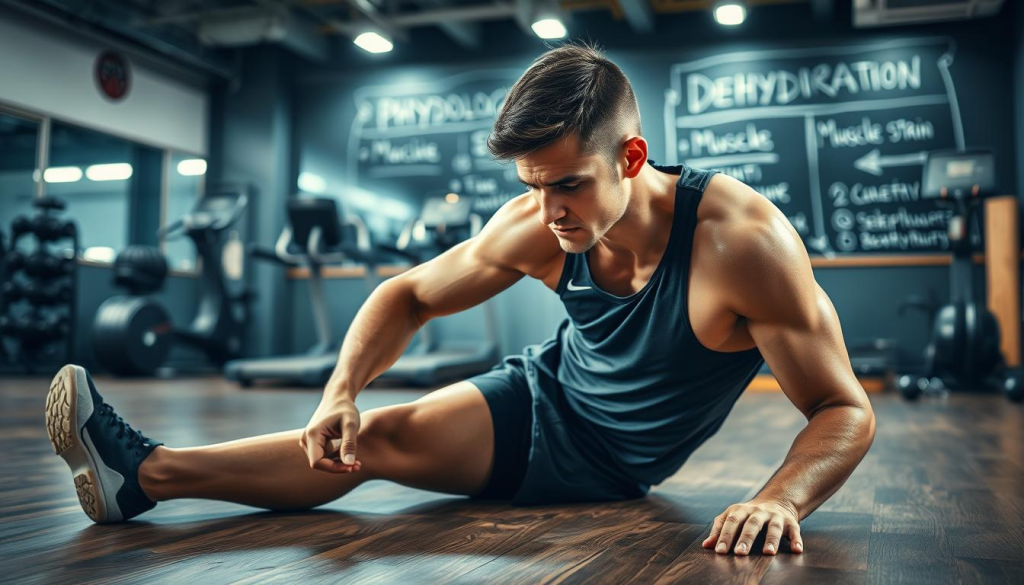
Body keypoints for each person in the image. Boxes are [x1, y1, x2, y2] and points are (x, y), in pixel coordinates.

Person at [45, 42, 875, 557]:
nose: (551, 212)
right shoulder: (535, 221)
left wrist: (779, 496)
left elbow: (843, 408)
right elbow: (405, 295)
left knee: (383, 450)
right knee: (364, 433)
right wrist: (340, 391)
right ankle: (143, 477)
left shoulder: (743, 243)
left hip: (607, 460)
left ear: (631, 156)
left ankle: (144, 475)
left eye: (569, 185)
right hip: (544, 388)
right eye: (534, 186)